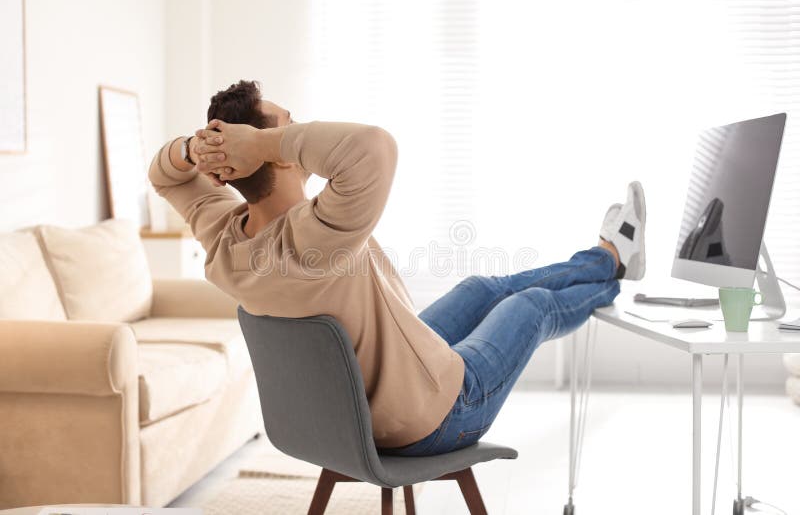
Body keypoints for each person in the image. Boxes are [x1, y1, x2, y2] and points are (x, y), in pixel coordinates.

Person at [148, 80, 646, 456]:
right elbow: (374, 147)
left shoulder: (224, 240)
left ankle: (603, 256)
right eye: (289, 125)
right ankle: (614, 263)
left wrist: (195, 151)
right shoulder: (314, 236)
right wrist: (262, 144)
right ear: (265, 154)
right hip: (435, 415)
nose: (299, 130)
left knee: (479, 287)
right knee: (531, 306)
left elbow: (163, 176)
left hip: (379, 391)